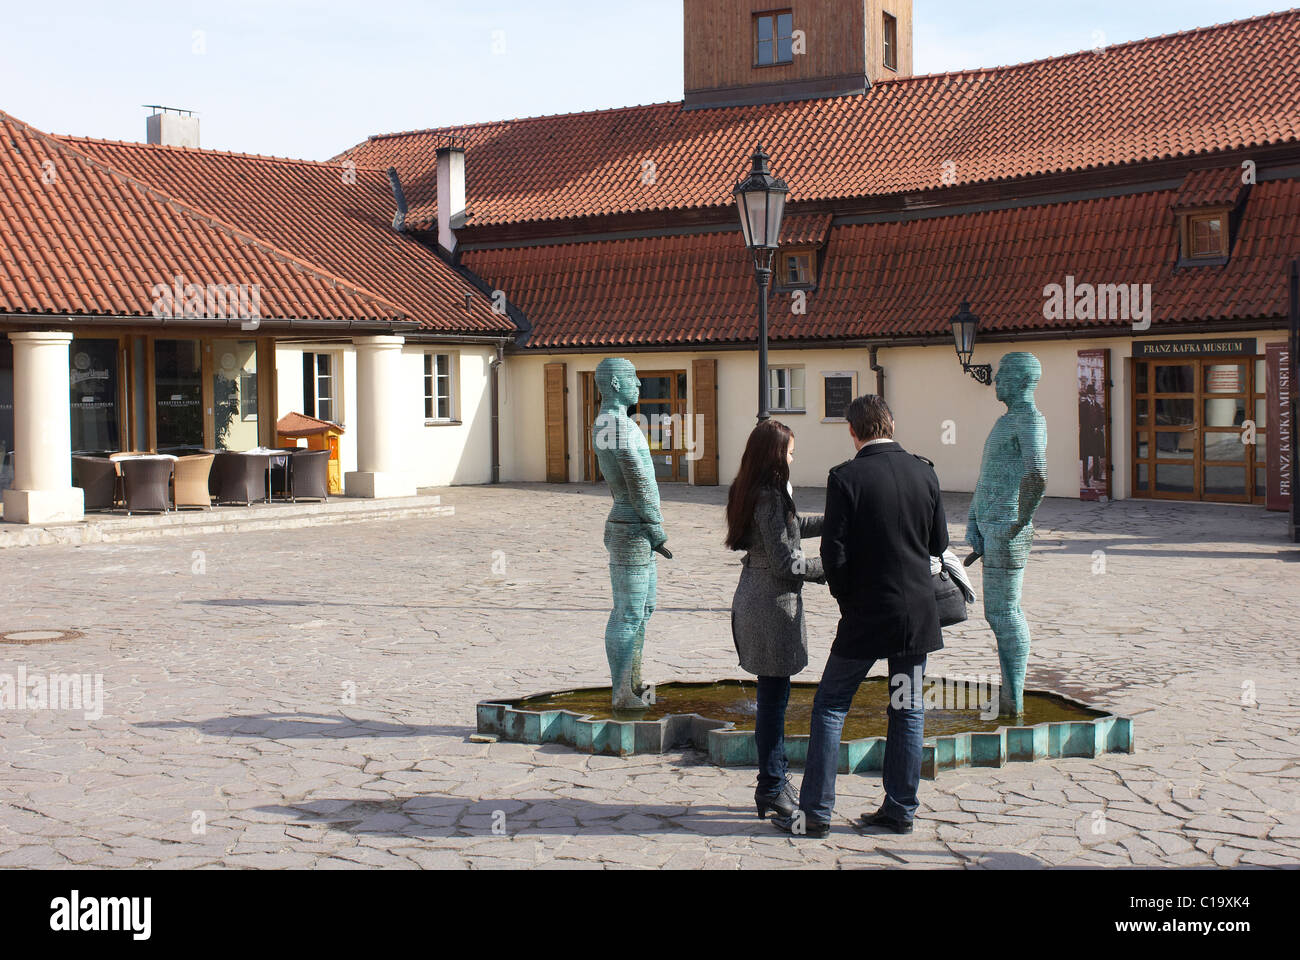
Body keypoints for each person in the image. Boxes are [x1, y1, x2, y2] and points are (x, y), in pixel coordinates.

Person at [773, 395, 948, 838]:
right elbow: (937, 543)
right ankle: (900, 809)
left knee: (831, 706)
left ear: (853, 431)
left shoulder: (846, 477)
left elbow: (834, 552)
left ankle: (815, 813)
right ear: (891, 423)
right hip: (916, 614)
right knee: (907, 708)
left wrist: (846, 600)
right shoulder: (924, 472)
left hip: (867, 612)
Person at [725, 419, 825, 820]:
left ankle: (774, 781)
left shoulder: (752, 489)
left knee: (772, 698)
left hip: (755, 598)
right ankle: (771, 785)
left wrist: (835, 521)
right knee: (772, 702)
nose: (792, 459)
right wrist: (833, 565)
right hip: (771, 607)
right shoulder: (770, 497)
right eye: (788, 452)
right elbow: (786, 562)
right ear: (773, 454)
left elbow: (789, 530)